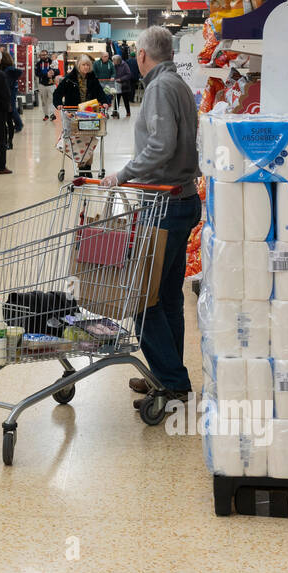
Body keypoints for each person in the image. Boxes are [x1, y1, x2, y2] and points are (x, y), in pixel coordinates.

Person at [101, 26, 201, 413]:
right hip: (181, 199)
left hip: (165, 203)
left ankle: (172, 380)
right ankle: (166, 372)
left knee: (142, 296)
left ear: (142, 55)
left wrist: (122, 174)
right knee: (168, 296)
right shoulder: (176, 82)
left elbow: (161, 145)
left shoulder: (159, 88)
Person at [52, 55, 109, 177]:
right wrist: (59, 105)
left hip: (90, 113)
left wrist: (104, 102)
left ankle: (87, 167)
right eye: (83, 64)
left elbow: (100, 93)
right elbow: (57, 94)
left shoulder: (92, 78)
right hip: (73, 114)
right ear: (78, 65)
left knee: (90, 139)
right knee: (77, 140)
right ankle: (81, 167)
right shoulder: (69, 79)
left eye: (88, 65)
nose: (86, 67)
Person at [0, 49, 23, 148]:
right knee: (10, 117)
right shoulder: (10, 70)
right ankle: (10, 140)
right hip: (10, 97)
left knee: (7, 119)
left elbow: (5, 86)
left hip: (6, 98)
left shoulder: (7, 71)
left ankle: (8, 141)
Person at [111, 53, 133, 118]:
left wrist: (121, 79)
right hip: (117, 85)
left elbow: (129, 74)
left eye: (114, 61)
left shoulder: (124, 65)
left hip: (124, 85)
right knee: (116, 99)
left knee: (125, 99)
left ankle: (128, 112)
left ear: (118, 60)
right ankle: (115, 112)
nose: (113, 62)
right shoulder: (114, 65)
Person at [35, 52, 56, 120]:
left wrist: (54, 73)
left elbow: (58, 71)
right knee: (44, 100)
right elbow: (37, 73)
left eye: (45, 54)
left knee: (52, 99)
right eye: (42, 55)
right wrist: (46, 74)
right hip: (42, 85)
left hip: (51, 84)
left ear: (47, 55)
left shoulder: (53, 62)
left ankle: (52, 114)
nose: (44, 56)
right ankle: (46, 114)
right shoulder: (38, 64)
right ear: (40, 56)